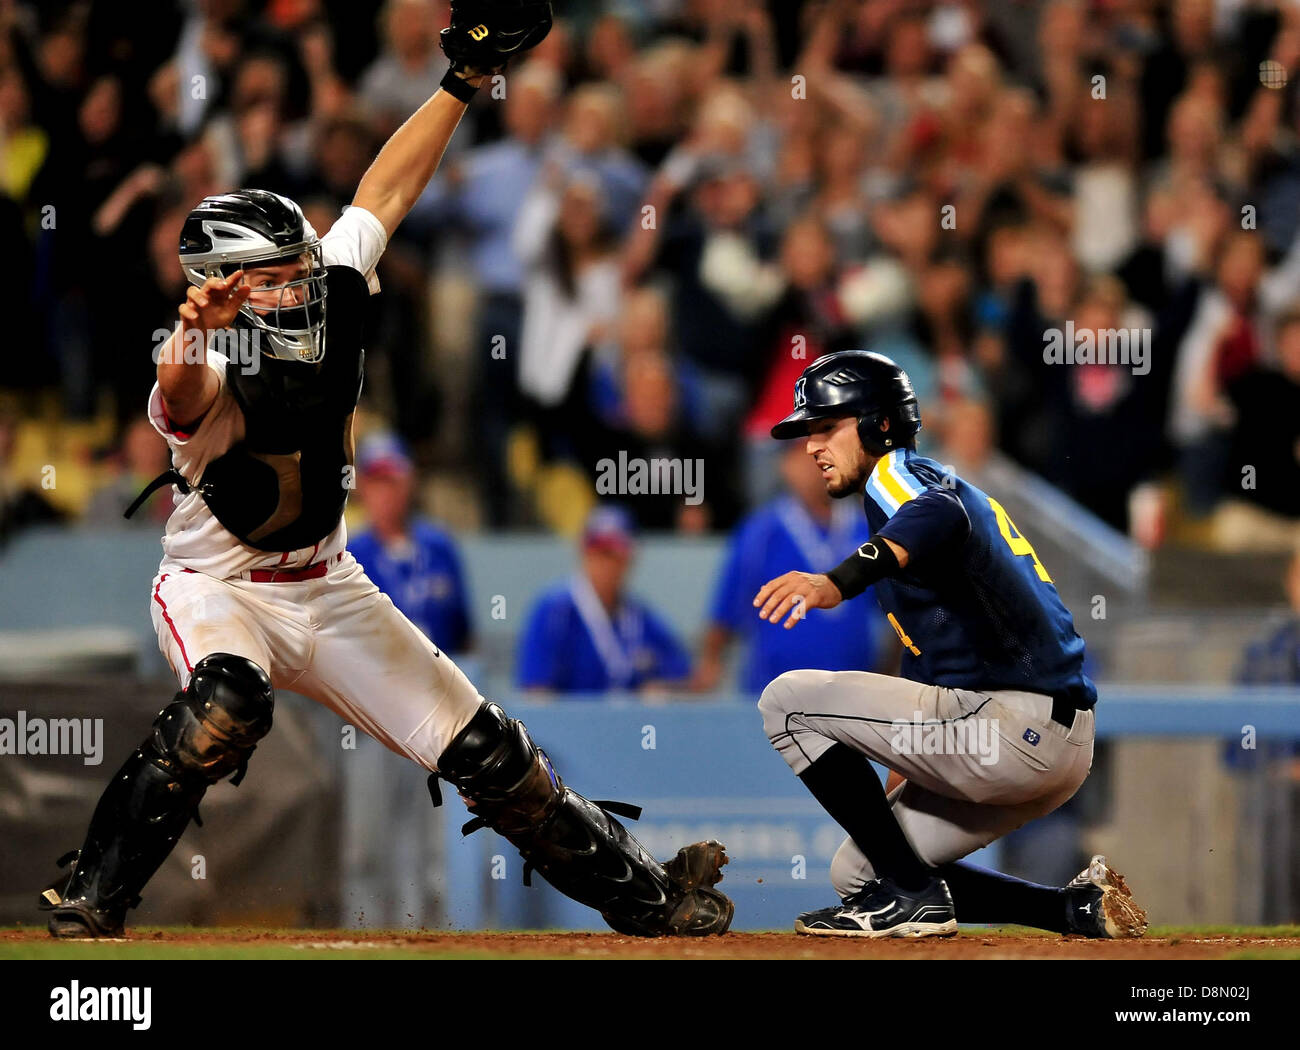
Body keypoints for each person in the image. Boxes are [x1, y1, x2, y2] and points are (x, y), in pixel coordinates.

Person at [38, 2, 731, 941]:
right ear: (220, 292)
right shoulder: (197, 357)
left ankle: (652, 901)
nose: (296, 284)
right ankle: (95, 898)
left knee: (490, 751)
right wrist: (194, 333)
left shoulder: (326, 282)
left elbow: (387, 190)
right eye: (270, 278)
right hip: (220, 586)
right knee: (226, 705)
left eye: (295, 266)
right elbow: (184, 392)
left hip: (328, 582)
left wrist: (462, 81)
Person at [753, 350, 1147, 939]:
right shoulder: (898, 496)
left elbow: (941, 514)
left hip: (1013, 724)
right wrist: (899, 757)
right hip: (1053, 742)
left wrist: (836, 581)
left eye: (827, 426)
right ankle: (1073, 911)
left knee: (787, 702)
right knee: (863, 870)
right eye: (808, 431)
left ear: (880, 425)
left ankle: (915, 895)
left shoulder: (898, 475)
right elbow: (941, 637)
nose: (812, 445)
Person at [693, 442, 888, 695]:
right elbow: (725, 612)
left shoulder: (866, 527)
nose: (815, 467)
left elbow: (898, 612)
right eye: (805, 457)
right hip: (773, 695)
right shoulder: (761, 532)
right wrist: (709, 664)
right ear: (785, 465)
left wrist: (887, 675)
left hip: (853, 698)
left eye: (824, 454)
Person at [516, 505, 691, 695]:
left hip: (629, 723)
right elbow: (536, 693)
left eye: (613, 555)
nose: (604, 564)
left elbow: (685, 681)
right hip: (569, 724)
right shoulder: (553, 611)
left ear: (630, 558)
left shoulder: (641, 617)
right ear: (583, 553)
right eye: (598, 552)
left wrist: (661, 691)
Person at [348, 432, 471, 655]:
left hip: (443, 677)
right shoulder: (350, 556)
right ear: (362, 489)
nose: (385, 494)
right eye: (377, 483)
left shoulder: (440, 546)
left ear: (410, 483)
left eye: (392, 482)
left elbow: (463, 632)